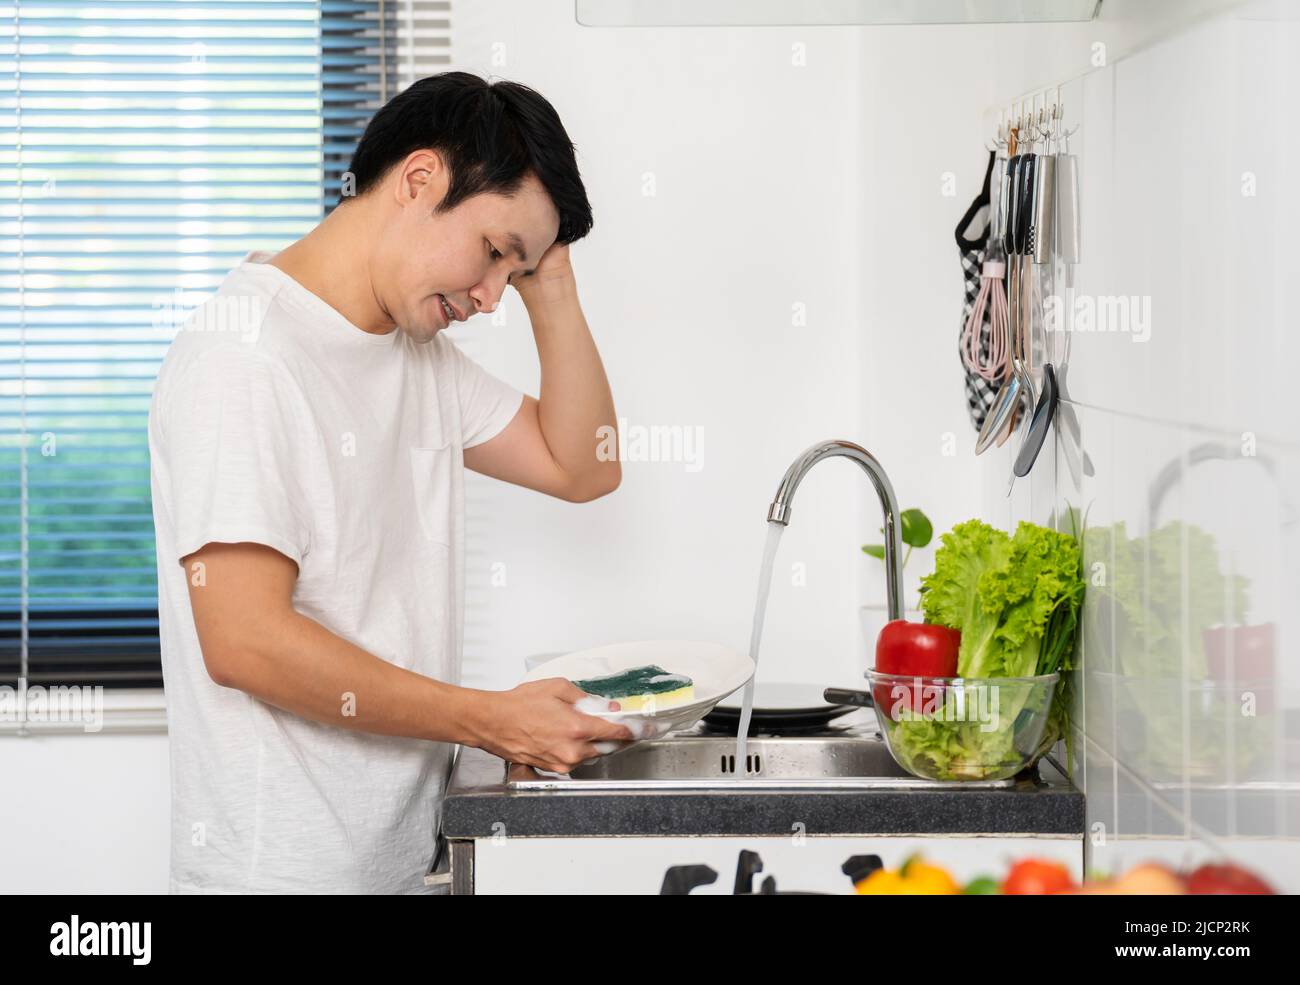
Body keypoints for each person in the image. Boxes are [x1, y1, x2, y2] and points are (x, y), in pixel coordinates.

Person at [148, 72, 631, 894]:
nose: (488, 299)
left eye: (510, 274)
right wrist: (489, 716)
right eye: (493, 253)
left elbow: (586, 464)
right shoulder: (246, 357)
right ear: (418, 180)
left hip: (399, 867)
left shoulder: (419, 360)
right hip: (282, 879)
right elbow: (243, 640)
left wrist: (550, 280)